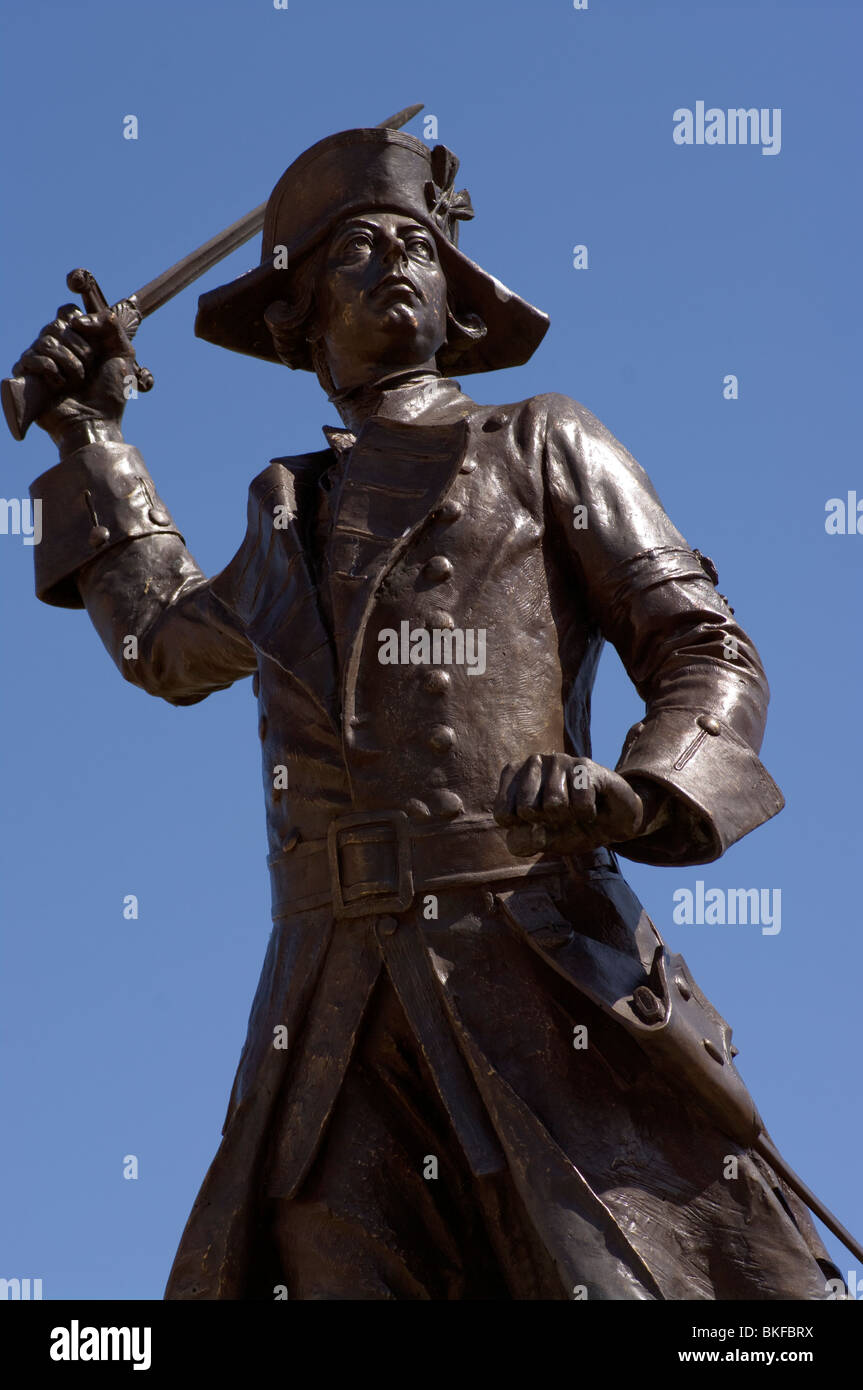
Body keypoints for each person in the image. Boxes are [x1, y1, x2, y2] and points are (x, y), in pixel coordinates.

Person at [15, 126, 839, 1300]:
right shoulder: (283, 512)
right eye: (355, 249)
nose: (393, 263)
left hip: (529, 965)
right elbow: (162, 643)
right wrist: (91, 436)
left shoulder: (542, 440)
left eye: (414, 244)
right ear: (298, 319)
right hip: (332, 1013)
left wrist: (636, 787)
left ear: (455, 295)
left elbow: (702, 647)